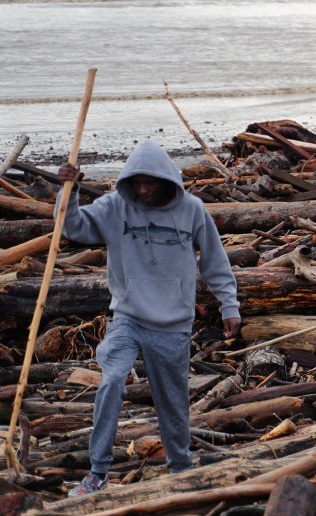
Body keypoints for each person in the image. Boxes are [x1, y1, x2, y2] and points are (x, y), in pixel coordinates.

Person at [57, 140, 240, 496]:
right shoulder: (115, 207)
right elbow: (74, 228)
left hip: (173, 326)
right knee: (111, 380)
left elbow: (216, 261)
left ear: (165, 180)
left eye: (150, 182)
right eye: (137, 182)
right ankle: (97, 472)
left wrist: (228, 305)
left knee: (172, 402)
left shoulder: (192, 210)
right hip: (128, 316)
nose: (143, 190)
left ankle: (180, 469)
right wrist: (70, 190)